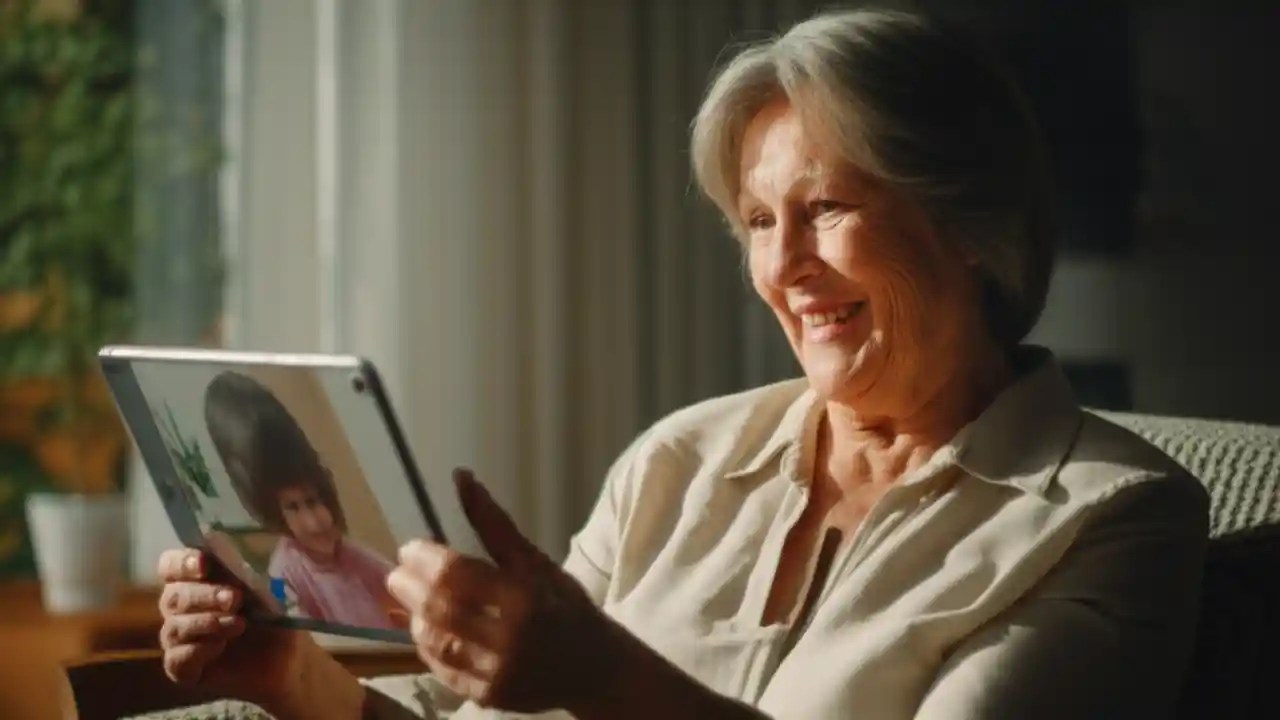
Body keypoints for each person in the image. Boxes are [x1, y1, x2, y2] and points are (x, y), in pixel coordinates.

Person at [154, 8, 1208, 719]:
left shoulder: (1116, 518)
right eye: (759, 221)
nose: (782, 267)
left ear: (967, 220)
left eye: (826, 207)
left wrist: (604, 677)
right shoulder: (682, 459)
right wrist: (289, 676)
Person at [203, 371, 401, 631]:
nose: (314, 521)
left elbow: (395, 580)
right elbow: (288, 614)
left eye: (313, 501)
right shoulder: (282, 574)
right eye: (293, 507)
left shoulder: (349, 554)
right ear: (276, 513)